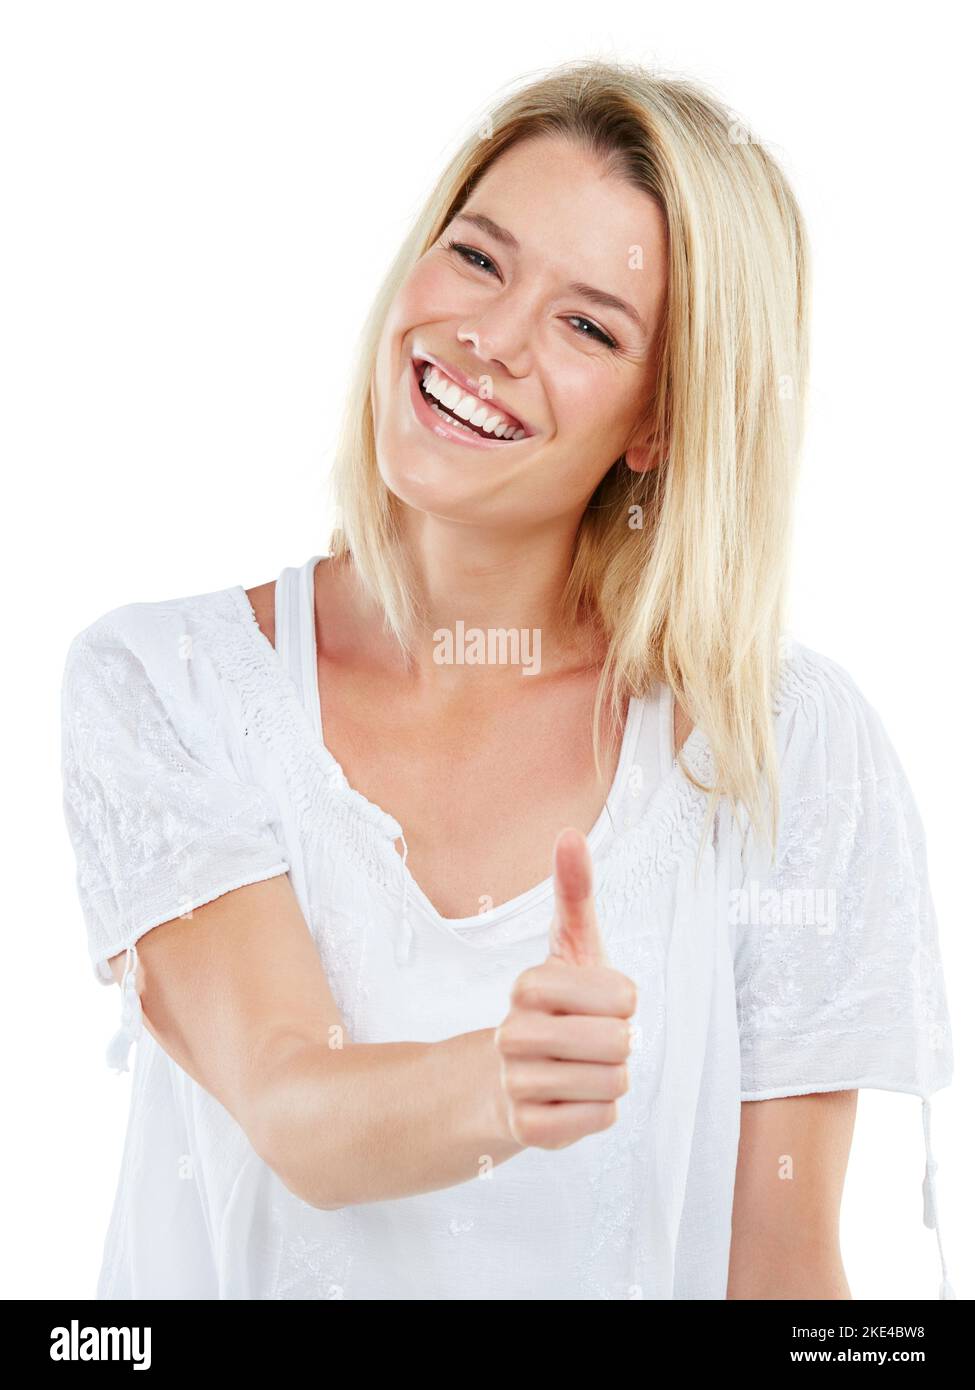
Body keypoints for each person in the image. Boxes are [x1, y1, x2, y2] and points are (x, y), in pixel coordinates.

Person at [60, 58, 954, 1300]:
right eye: (479, 258)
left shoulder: (778, 747)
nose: (489, 338)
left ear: (659, 425)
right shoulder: (171, 685)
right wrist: (504, 1080)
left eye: (589, 324)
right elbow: (289, 1101)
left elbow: (787, 1277)